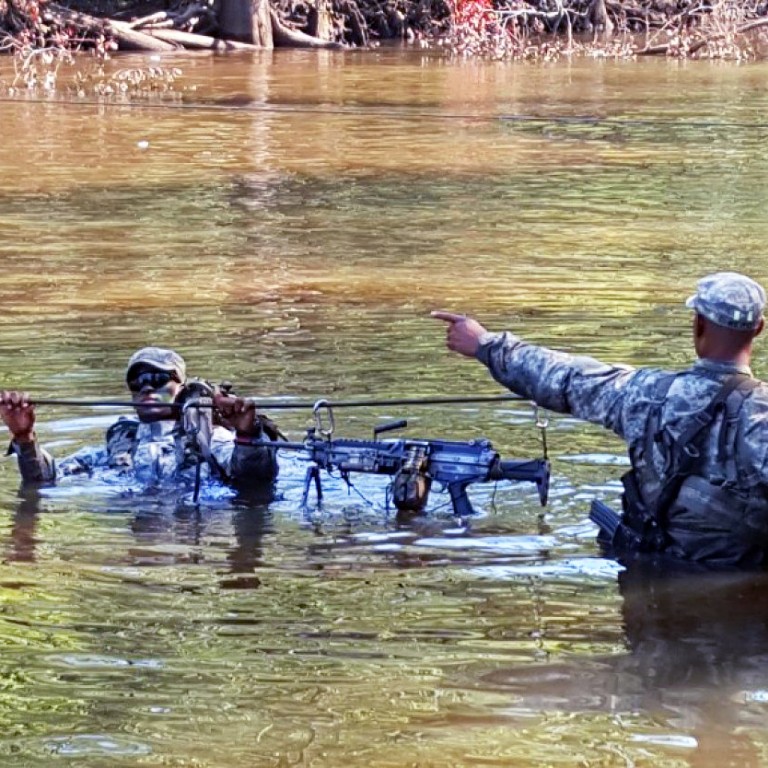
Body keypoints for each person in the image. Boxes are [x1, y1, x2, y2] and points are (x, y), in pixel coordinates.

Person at [432, 272, 768, 568]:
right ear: (759, 329)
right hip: (740, 584)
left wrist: (485, 344)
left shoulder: (646, 395)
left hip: (655, 585)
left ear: (698, 324)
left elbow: (564, 378)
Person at [0, 346, 281, 490]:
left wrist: (246, 434)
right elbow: (45, 481)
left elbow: (255, 478)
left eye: (158, 379)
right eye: (137, 381)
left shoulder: (208, 439)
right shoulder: (120, 444)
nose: (147, 387)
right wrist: (25, 438)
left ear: (181, 390)